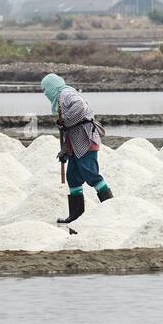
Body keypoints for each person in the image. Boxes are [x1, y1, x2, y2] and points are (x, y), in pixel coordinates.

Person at [41, 73, 112, 224]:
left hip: (85, 140)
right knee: (72, 177)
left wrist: (65, 121)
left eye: (45, 89)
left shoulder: (66, 94)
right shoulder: (59, 99)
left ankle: (111, 208)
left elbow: (80, 106)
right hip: (75, 144)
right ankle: (76, 215)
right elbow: (67, 130)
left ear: (52, 87)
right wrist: (65, 151)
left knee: (91, 174)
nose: (45, 93)